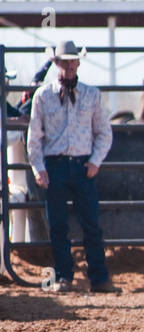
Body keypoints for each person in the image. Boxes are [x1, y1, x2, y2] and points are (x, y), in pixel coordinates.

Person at [26, 40, 119, 293]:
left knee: (91, 225)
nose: (68, 65)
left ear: (78, 62)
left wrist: (95, 161)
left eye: (72, 60)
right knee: (57, 225)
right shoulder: (43, 96)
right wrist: (39, 167)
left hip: (82, 165)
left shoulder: (92, 95)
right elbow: (34, 137)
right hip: (54, 166)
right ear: (56, 63)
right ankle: (65, 277)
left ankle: (99, 279)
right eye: (63, 61)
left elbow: (104, 133)